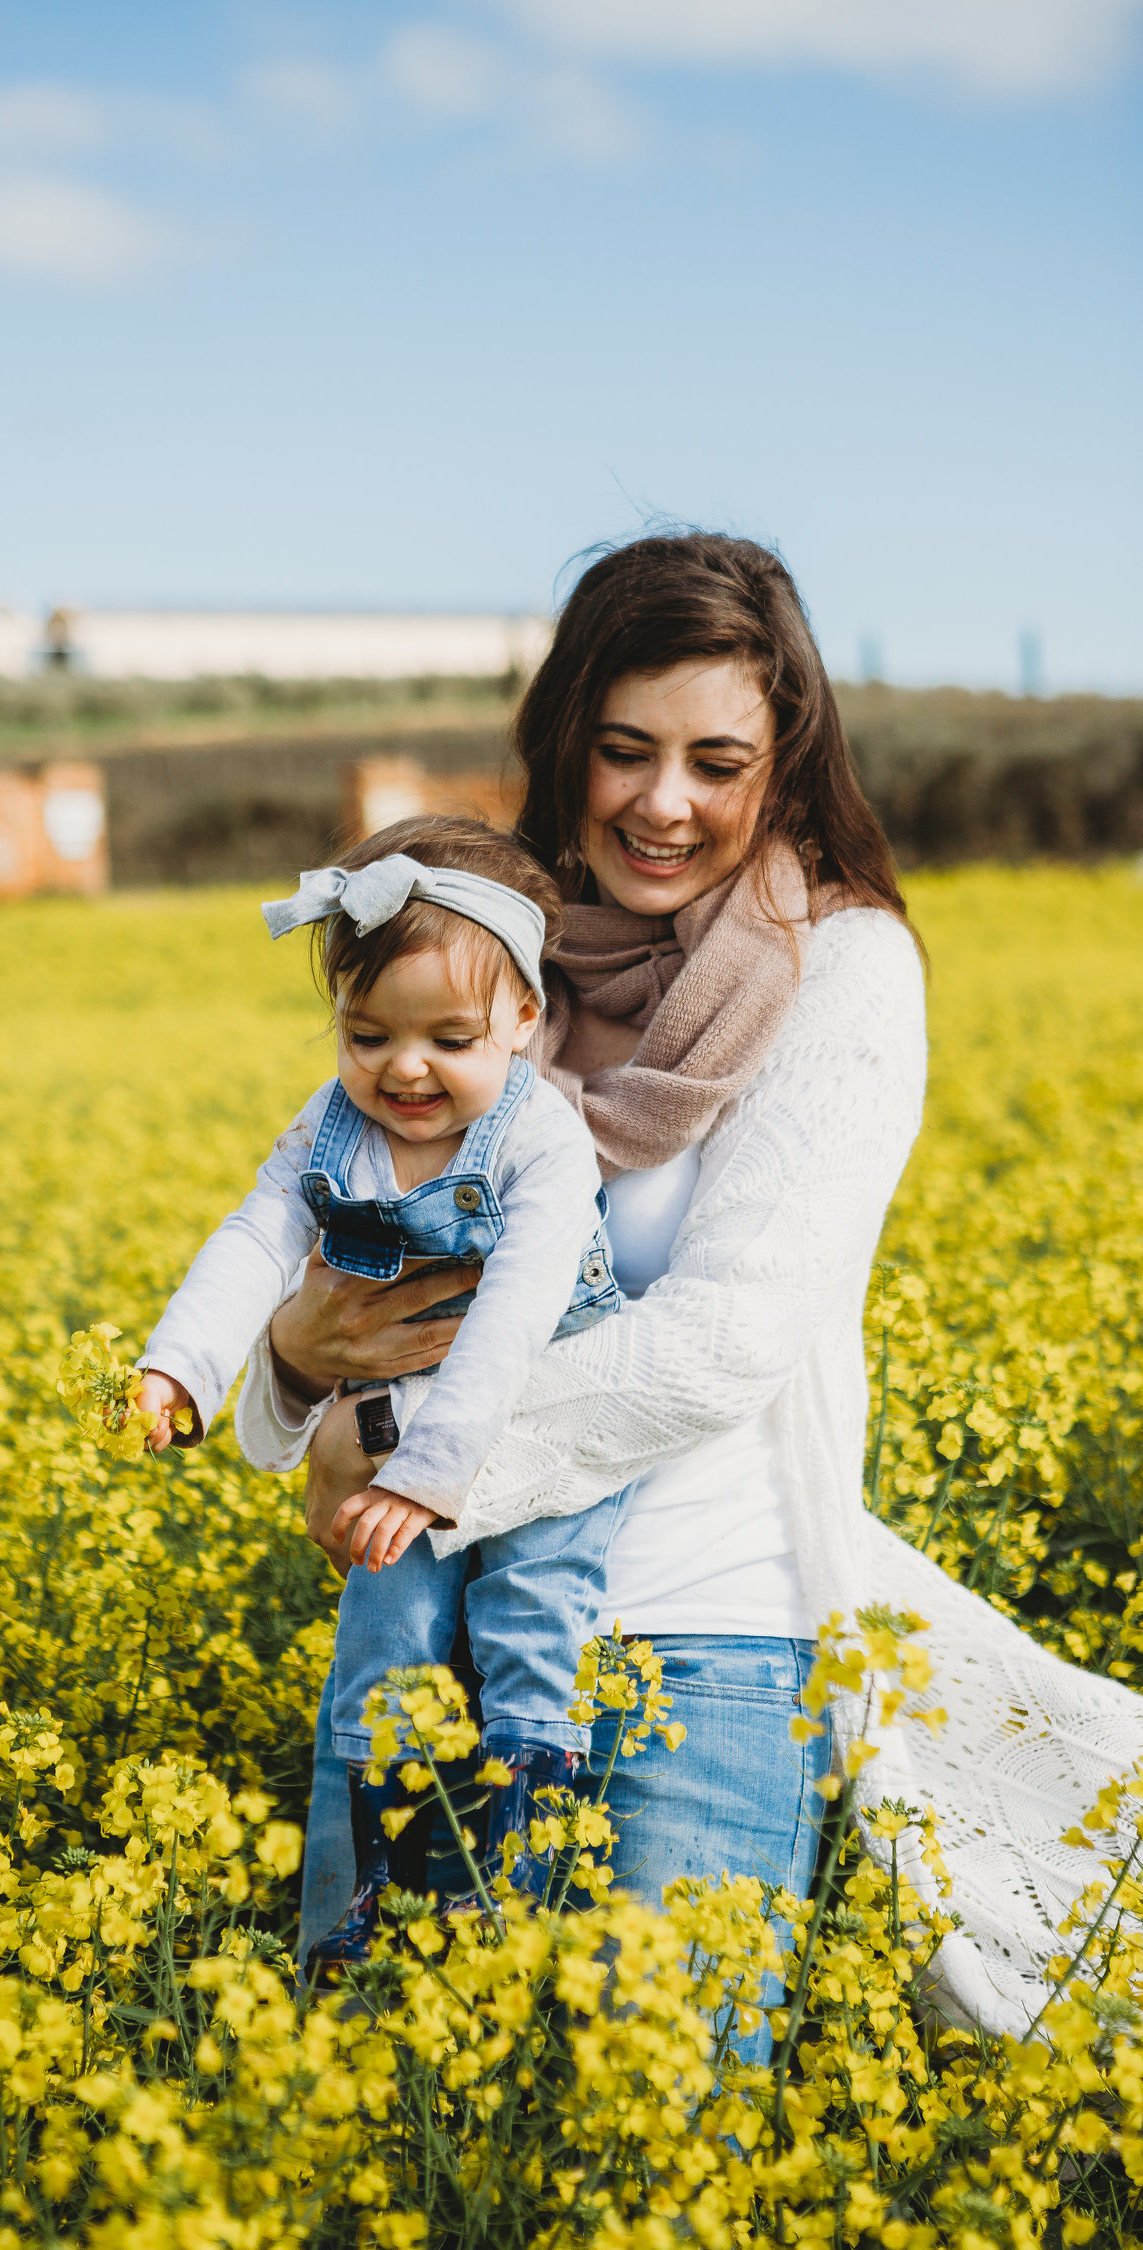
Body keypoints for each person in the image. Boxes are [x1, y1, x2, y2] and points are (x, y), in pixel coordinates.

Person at [234, 531, 927, 2052]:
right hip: (429, 1644)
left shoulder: (845, 971)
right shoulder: (480, 957)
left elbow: (723, 1341)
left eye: (715, 759)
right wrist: (287, 1367)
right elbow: (329, 1288)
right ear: (566, 745)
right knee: (390, 2144)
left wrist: (409, 1451)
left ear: (786, 761)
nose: (664, 803)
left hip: (707, 1647)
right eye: (624, 751)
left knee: (648, 2161)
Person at [135, 815, 632, 1966]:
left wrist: (425, 1475)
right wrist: (182, 1369)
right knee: (386, 1636)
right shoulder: (330, 1125)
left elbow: (509, 1330)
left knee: (532, 1623)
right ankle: (385, 1890)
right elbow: (254, 1243)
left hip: (541, 1428)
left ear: (524, 1019)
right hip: (406, 1442)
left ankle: (509, 1878)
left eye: (450, 1037)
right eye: (367, 1035)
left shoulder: (541, 1144)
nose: (404, 1069)